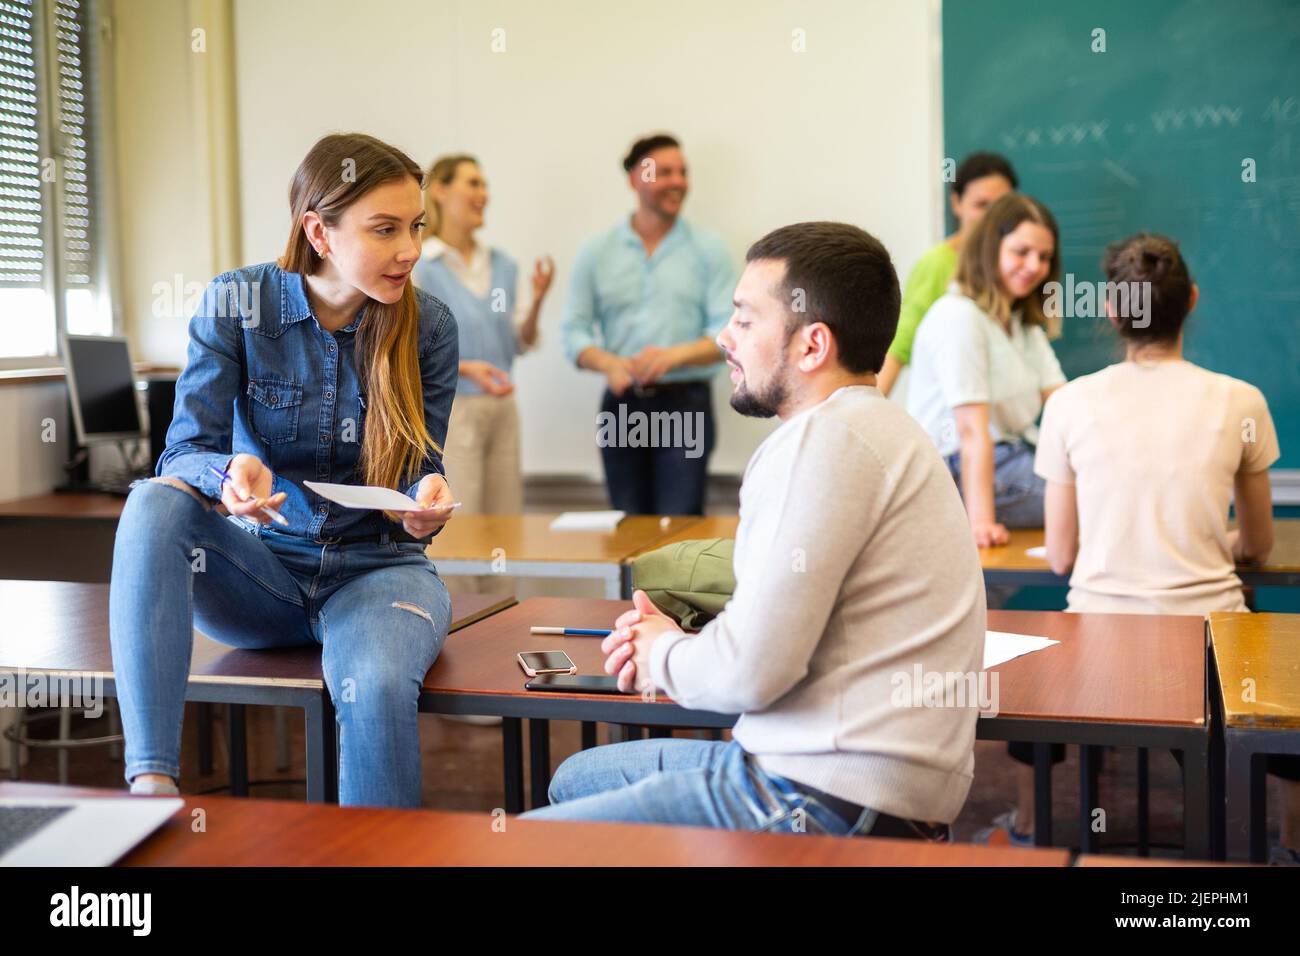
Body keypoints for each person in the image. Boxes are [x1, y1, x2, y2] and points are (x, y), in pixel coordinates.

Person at [522, 222, 986, 837]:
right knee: (575, 778)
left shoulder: (819, 444)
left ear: (812, 345)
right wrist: (670, 642)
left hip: (824, 796)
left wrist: (659, 651)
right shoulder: (883, 428)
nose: (723, 338)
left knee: (517, 843)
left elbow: (749, 675)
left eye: (744, 318)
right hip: (859, 779)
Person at [110, 133, 459, 808]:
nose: (410, 250)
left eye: (415, 227)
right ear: (318, 231)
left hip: (379, 573)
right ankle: (152, 787)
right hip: (263, 575)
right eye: (384, 230)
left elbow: (422, 469)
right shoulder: (236, 302)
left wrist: (424, 500)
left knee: (379, 687)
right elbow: (182, 454)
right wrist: (230, 471)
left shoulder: (430, 326)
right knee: (154, 501)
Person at [1032, 232, 1298, 863]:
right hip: (1210, 645)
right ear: (1193, 302)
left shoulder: (1068, 403)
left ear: (1112, 312)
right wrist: (1218, 541)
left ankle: (1043, 831)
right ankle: (1285, 845)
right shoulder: (1242, 400)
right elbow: (1258, 546)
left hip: (1096, 644)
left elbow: (1061, 556)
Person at [562, 133, 734, 515]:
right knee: (626, 527)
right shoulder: (597, 251)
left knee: (680, 528)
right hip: (621, 404)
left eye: (683, 173)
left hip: (685, 403)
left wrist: (672, 357)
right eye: (665, 172)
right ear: (635, 180)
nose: (678, 182)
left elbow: (728, 332)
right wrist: (609, 364)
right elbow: (573, 329)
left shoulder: (710, 249)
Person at [906, 192, 1066, 549]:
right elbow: (970, 431)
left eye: (1044, 257)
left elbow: (1064, 404)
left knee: (1114, 483)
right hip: (961, 469)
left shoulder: (1022, 325)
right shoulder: (958, 315)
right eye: (1020, 252)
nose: (1034, 266)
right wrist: (981, 523)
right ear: (990, 248)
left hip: (1017, 456)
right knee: (1095, 496)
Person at [412, 154, 554, 527]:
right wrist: (463, 369)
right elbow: (408, 352)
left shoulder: (502, 265)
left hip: (503, 408)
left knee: (505, 518)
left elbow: (520, 341)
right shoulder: (421, 265)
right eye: (472, 183)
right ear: (440, 191)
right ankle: (460, 589)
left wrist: (538, 300)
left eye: (484, 185)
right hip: (453, 410)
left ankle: (501, 588)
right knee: (461, 517)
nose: (483, 194)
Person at [877, 152, 1018, 399]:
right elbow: (899, 348)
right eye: (981, 204)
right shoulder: (937, 264)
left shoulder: (1016, 267)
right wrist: (868, 415)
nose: (992, 216)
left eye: (1001, 206)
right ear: (956, 203)